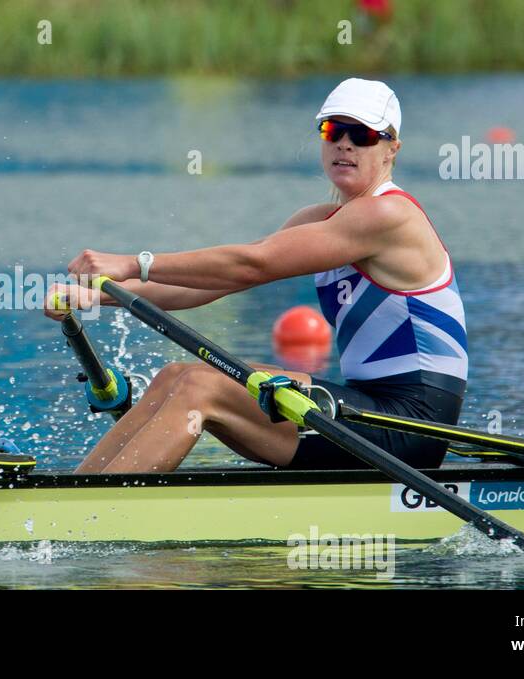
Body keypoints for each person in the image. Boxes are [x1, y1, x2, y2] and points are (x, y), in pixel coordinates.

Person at [47, 78, 467, 473]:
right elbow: (220, 282)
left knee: (200, 386)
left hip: (414, 426)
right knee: (175, 375)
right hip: (365, 408)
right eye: (333, 131)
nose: (344, 144)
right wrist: (99, 295)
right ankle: (74, 492)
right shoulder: (320, 220)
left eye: (363, 135)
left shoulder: (390, 215)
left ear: (392, 149)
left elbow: (253, 262)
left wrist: (133, 262)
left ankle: (89, 517)